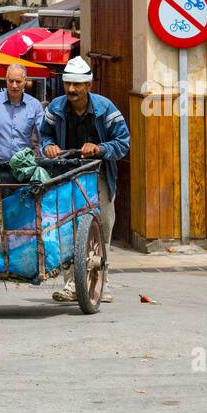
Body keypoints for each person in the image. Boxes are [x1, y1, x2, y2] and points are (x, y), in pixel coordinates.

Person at [40, 54, 130, 304]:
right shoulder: (55, 108)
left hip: (98, 175)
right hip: (66, 176)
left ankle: (102, 284)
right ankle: (71, 284)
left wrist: (100, 148)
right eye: (68, 84)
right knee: (67, 229)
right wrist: (48, 147)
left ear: (89, 85)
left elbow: (123, 143)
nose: (71, 89)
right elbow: (44, 135)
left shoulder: (106, 108)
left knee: (102, 229)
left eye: (77, 85)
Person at [0, 63, 44, 163]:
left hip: (23, 164)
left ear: (25, 81)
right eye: (11, 81)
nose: (14, 85)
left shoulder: (35, 105)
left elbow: (43, 135)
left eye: (18, 81)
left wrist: (40, 155)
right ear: (6, 80)